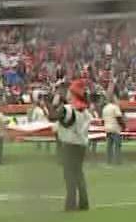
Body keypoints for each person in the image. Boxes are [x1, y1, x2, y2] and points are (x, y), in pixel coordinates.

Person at [51, 84, 92, 212]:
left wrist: (55, 103)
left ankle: (71, 203)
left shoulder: (68, 109)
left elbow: (53, 116)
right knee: (79, 174)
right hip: (81, 144)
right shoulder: (86, 112)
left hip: (69, 145)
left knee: (69, 176)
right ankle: (84, 203)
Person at [102, 94, 124, 166]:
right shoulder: (115, 107)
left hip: (107, 129)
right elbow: (119, 118)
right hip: (115, 128)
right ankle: (117, 161)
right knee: (117, 146)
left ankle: (109, 161)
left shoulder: (105, 108)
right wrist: (123, 126)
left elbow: (103, 120)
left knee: (109, 146)